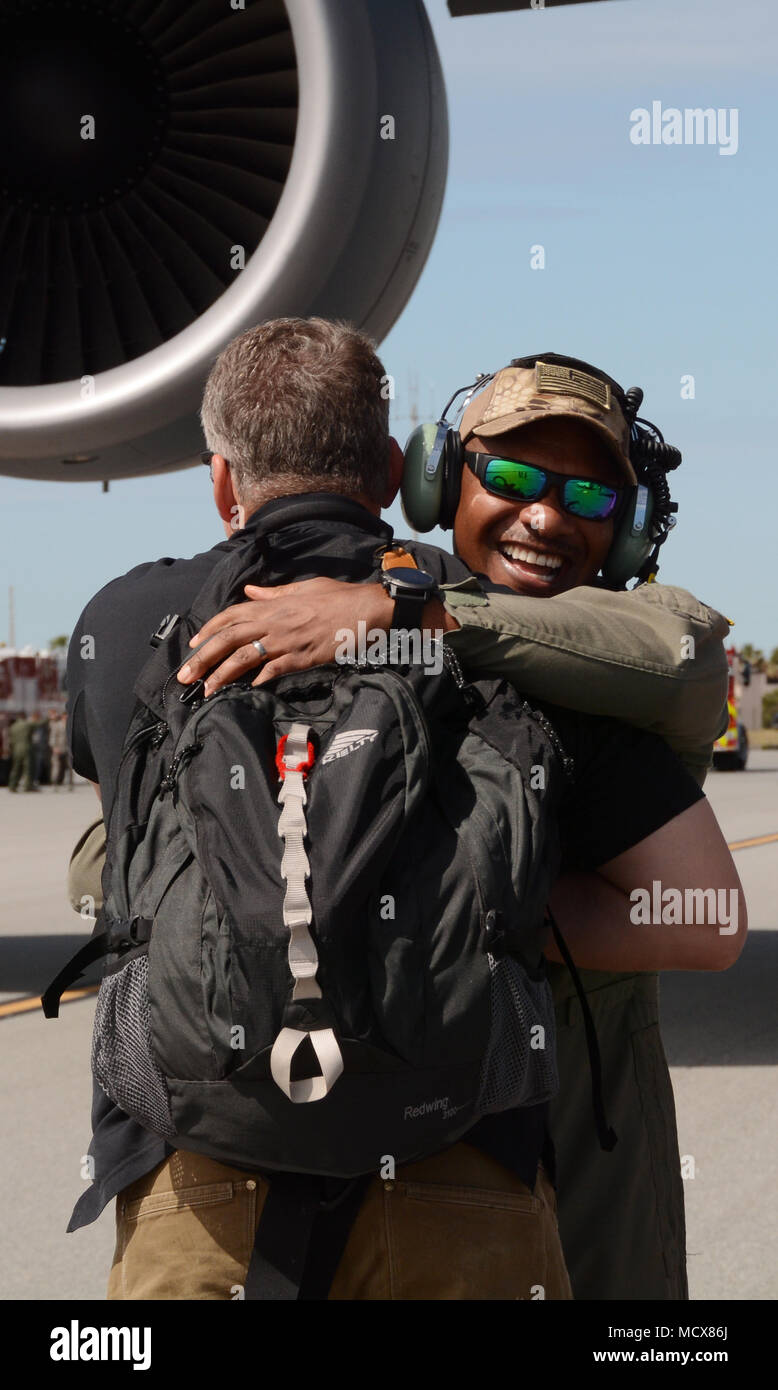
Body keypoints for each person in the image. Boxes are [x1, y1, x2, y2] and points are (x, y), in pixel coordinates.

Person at [65, 319, 745, 1301]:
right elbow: (712, 917)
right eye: (510, 480)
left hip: (222, 1179)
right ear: (415, 478)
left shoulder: (562, 653)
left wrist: (425, 620)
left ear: (222, 481)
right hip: (478, 1180)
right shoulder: (502, 672)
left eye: (589, 495)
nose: (547, 519)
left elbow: (683, 653)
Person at [8, 713, 35, 792]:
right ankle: (27, 786)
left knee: (15, 768)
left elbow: (11, 740)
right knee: (27, 768)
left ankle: (12, 786)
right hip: (26, 748)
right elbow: (38, 724)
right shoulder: (26, 724)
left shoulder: (13, 726)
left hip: (16, 749)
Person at [49, 711, 69, 788]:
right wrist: (54, 747)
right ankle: (55, 783)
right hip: (58, 748)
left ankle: (68, 783)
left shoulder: (70, 725)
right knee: (56, 766)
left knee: (68, 766)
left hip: (67, 749)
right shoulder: (57, 725)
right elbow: (53, 736)